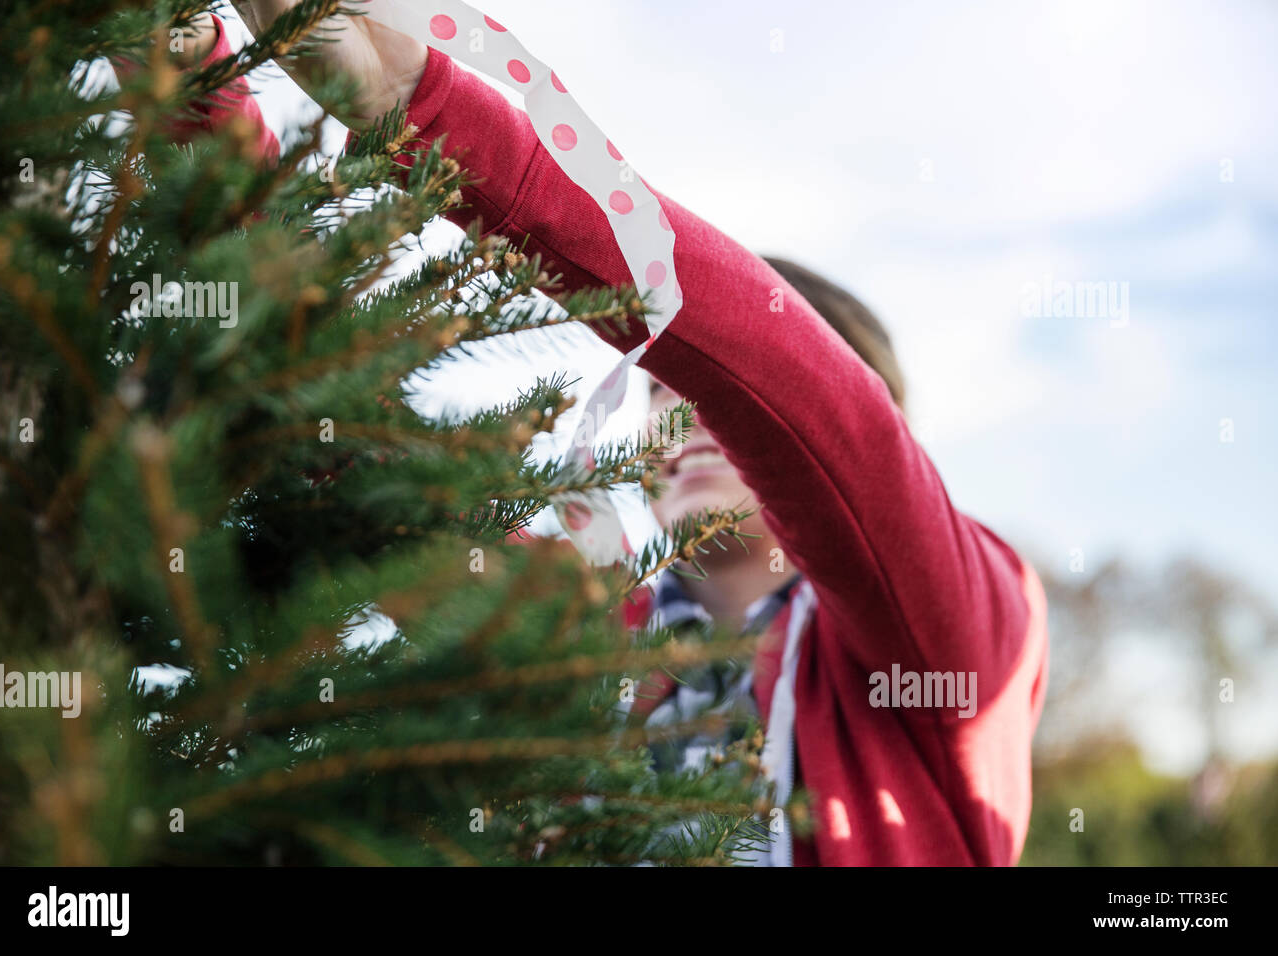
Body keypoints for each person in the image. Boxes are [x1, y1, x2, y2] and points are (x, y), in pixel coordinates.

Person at [169, 5, 1049, 866]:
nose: (689, 412)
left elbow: (800, 390)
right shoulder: (573, 636)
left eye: (719, 391)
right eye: (662, 389)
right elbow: (363, 462)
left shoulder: (956, 635)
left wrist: (421, 106)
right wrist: (188, 78)